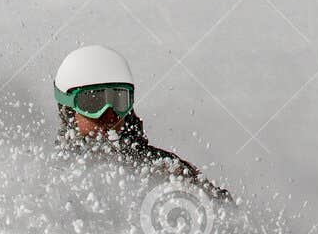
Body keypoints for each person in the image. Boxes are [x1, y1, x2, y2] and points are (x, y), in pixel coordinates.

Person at [53, 45, 232, 202]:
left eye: (118, 101)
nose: (109, 116)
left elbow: (227, 213)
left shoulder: (165, 170)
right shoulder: (51, 179)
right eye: (92, 104)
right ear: (69, 112)